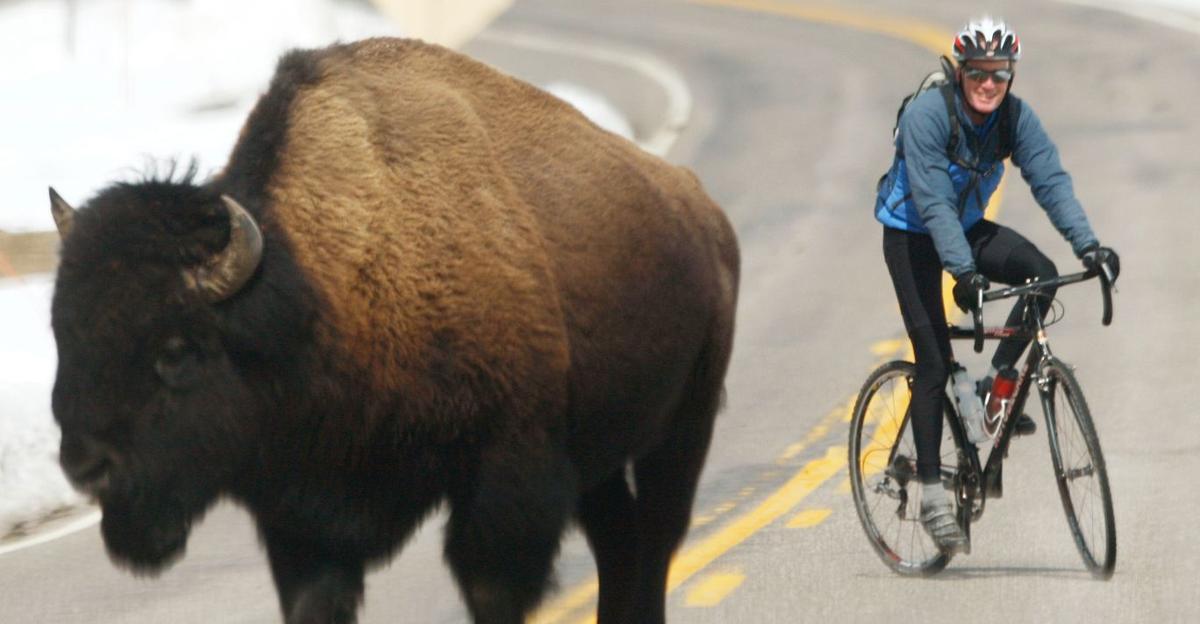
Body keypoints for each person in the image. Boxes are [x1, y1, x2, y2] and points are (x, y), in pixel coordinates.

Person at [873, 16, 1120, 554]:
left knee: (1042, 276)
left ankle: (996, 386)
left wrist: (1089, 246)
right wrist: (965, 274)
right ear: (961, 72)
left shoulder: (1013, 117)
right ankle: (934, 491)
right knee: (934, 360)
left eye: (1000, 75)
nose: (989, 84)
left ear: (1010, 76)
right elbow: (933, 202)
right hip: (912, 234)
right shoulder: (928, 115)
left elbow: (1050, 180)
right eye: (979, 73)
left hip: (964, 228)